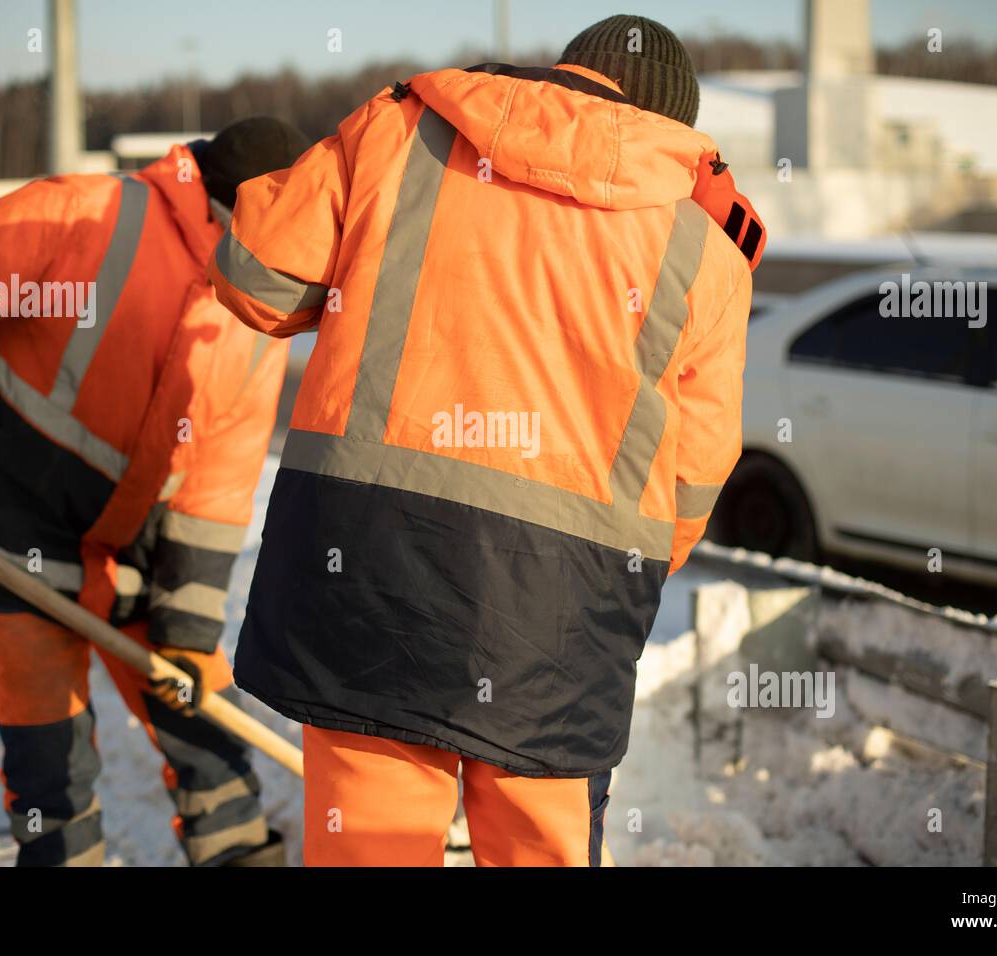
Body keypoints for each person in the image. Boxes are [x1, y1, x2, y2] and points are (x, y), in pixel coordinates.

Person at [210, 15, 765, 866]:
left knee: (369, 851)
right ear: (671, 125)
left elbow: (256, 281)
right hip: (561, 613)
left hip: (365, 572)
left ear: (561, 73)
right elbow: (695, 474)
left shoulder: (402, 130)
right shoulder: (707, 250)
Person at [0, 117, 309, 866]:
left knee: (211, 739)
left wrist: (186, 635)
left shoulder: (257, 301)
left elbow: (218, 487)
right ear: (253, 203)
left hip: (135, 561)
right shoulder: (82, 213)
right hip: (7, 537)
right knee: (50, 764)